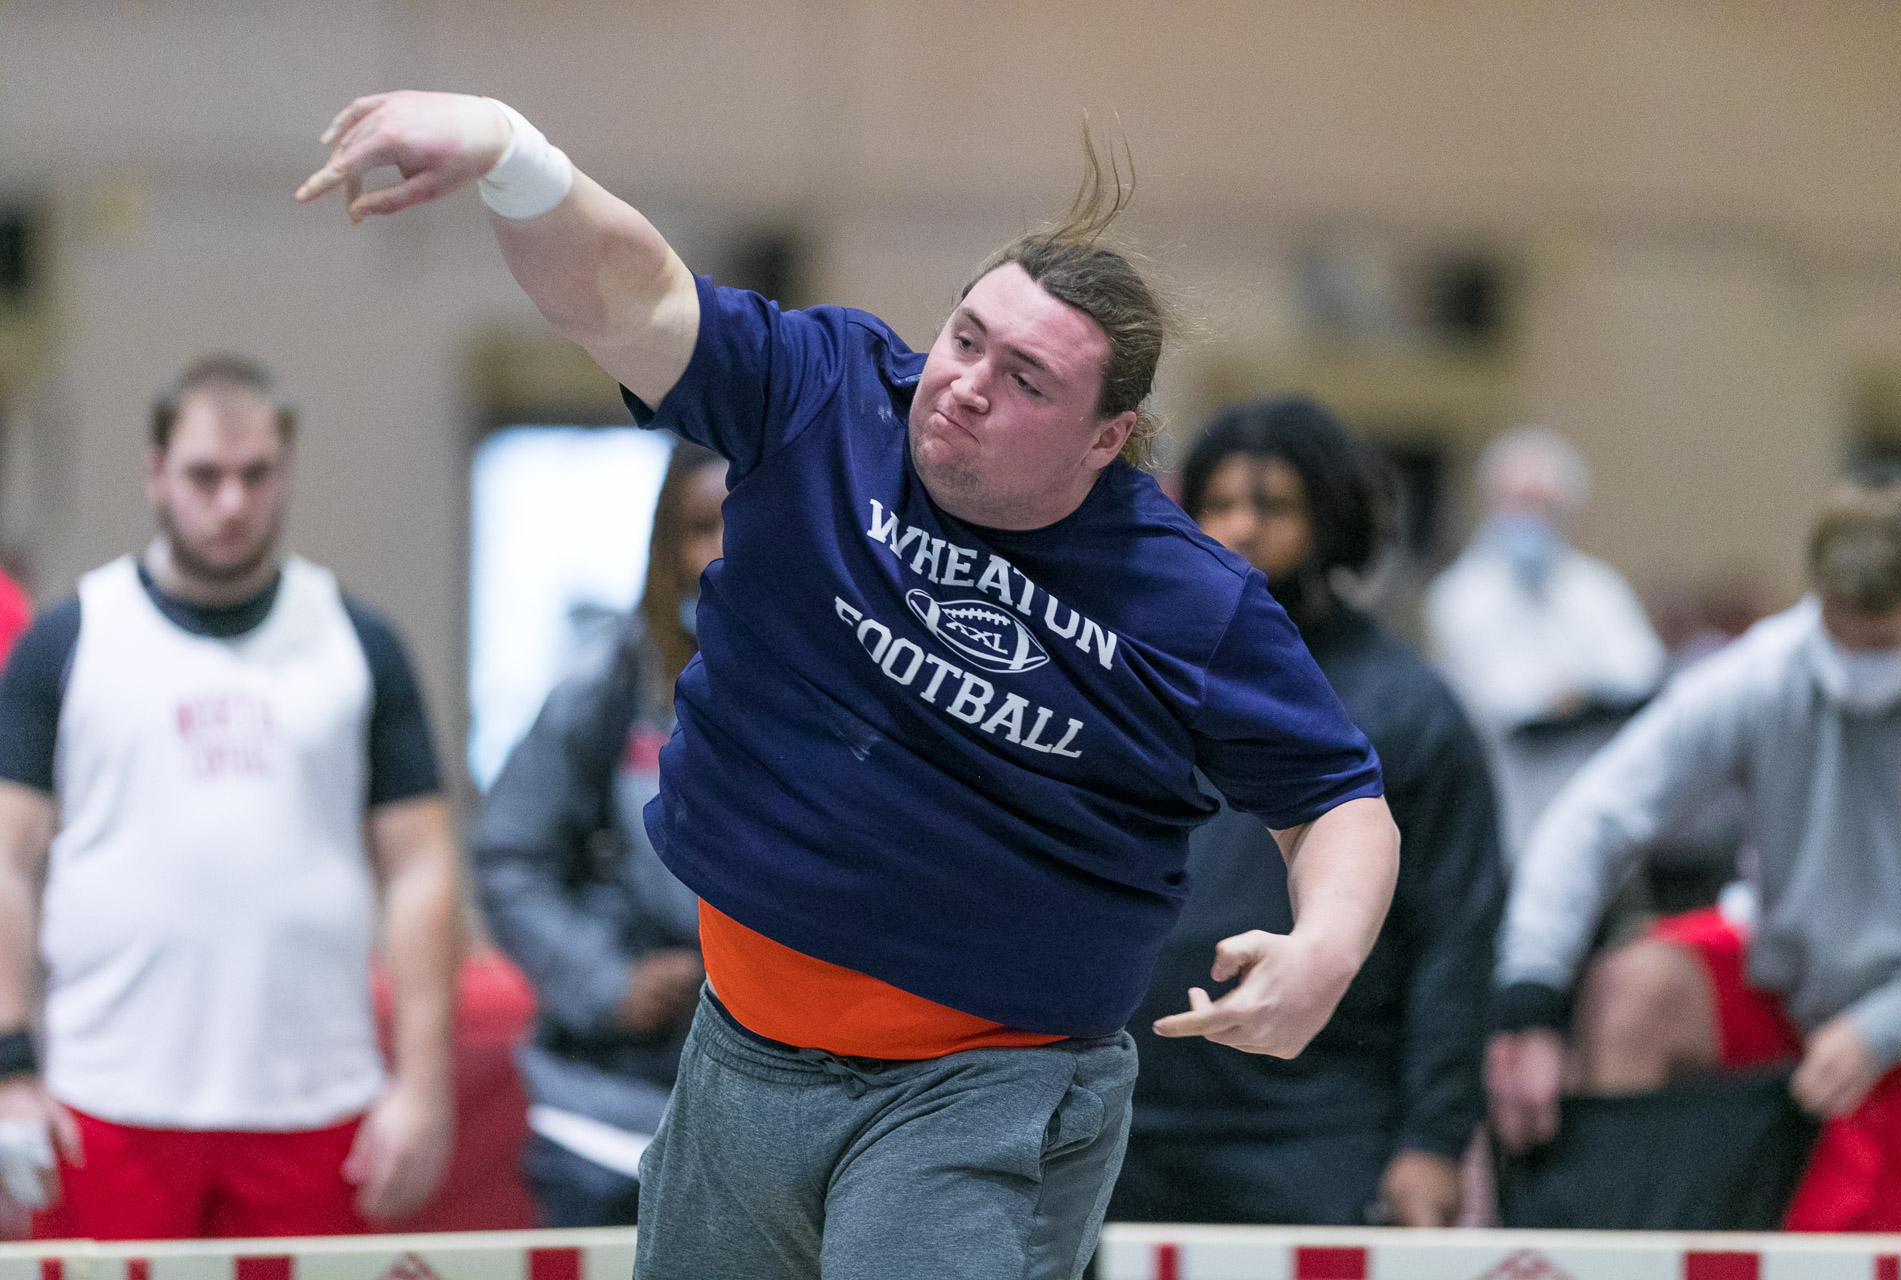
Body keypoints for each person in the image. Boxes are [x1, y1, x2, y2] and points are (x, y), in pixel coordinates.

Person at [298, 93, 1399, 1280]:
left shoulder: (1188, 598)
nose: (967, 381)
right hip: (741, 1052)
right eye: (966, 335)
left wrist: (1326, 943)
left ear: (1107, 437)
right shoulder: (828, 396)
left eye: (1027, 379)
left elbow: (1339, 797)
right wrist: (514, 159)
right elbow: (633, 294)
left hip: (982, 1084)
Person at [0, 355, 458, 1239]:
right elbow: (7, 863)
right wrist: (9, 1063)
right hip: (106, 1101)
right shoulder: (67, 642)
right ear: (155, 472)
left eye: (256, 475)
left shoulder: (359, 644)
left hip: (318, 1103)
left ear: (286, 472)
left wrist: (424, 1085)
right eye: (204, 475)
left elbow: (421, 872)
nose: (231, 503)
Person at [1112, 398, 1502, 1228]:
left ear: (1331, 517)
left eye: (1274, 505)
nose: (1242, 528)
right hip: (1124, 1109)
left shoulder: (1409, 706)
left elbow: (1454, 946)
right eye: (1219, 504)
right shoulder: (1141, 671)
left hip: (1314, 1126)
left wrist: (1432, 1141)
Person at [1488, 483, 1901, 1231]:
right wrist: (1530, 991)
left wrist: (1883, 1027)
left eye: (1879, 644)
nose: (1854, 663)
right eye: (1838, 634)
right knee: (1634, 992)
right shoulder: (1766, 673)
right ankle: (1615, 1237)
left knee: (1843, 1233)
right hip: (1793, 971)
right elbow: (1595, 815)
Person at [475, 441, 725, 1226]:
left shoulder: (842, 688)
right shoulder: (608, 681)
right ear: (667, 544)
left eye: (750, 522)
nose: (726, 550)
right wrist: (606, 982)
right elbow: (509, 858)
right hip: (607, 1118)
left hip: (774, 1114)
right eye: (702, 526)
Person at [1425, 427, 1665, 858]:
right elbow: (1514, 710)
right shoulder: (1462, 595)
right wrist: (1584, 694)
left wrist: (1573, 697)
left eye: (1544, 504)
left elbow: (1642, 679)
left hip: (1596, 811)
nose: (1529, 517)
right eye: (1518, 501)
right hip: (1502, 815)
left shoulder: (1597, 587)